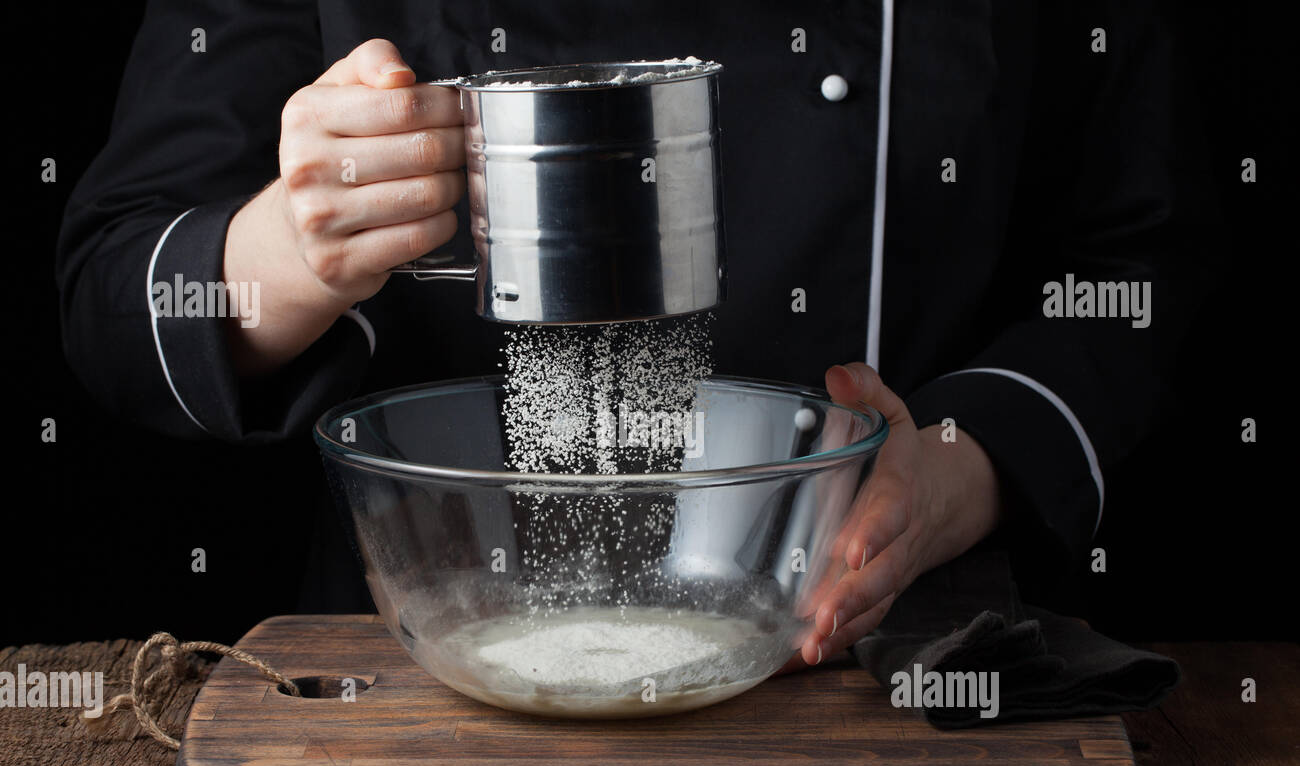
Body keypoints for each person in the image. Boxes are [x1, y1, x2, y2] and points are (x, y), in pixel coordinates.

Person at [57, 1, 1212, 669]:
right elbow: (118, 288)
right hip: (426, 650)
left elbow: (1135, 266)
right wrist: (291, 250)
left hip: (884, 650)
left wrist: (965, 466)